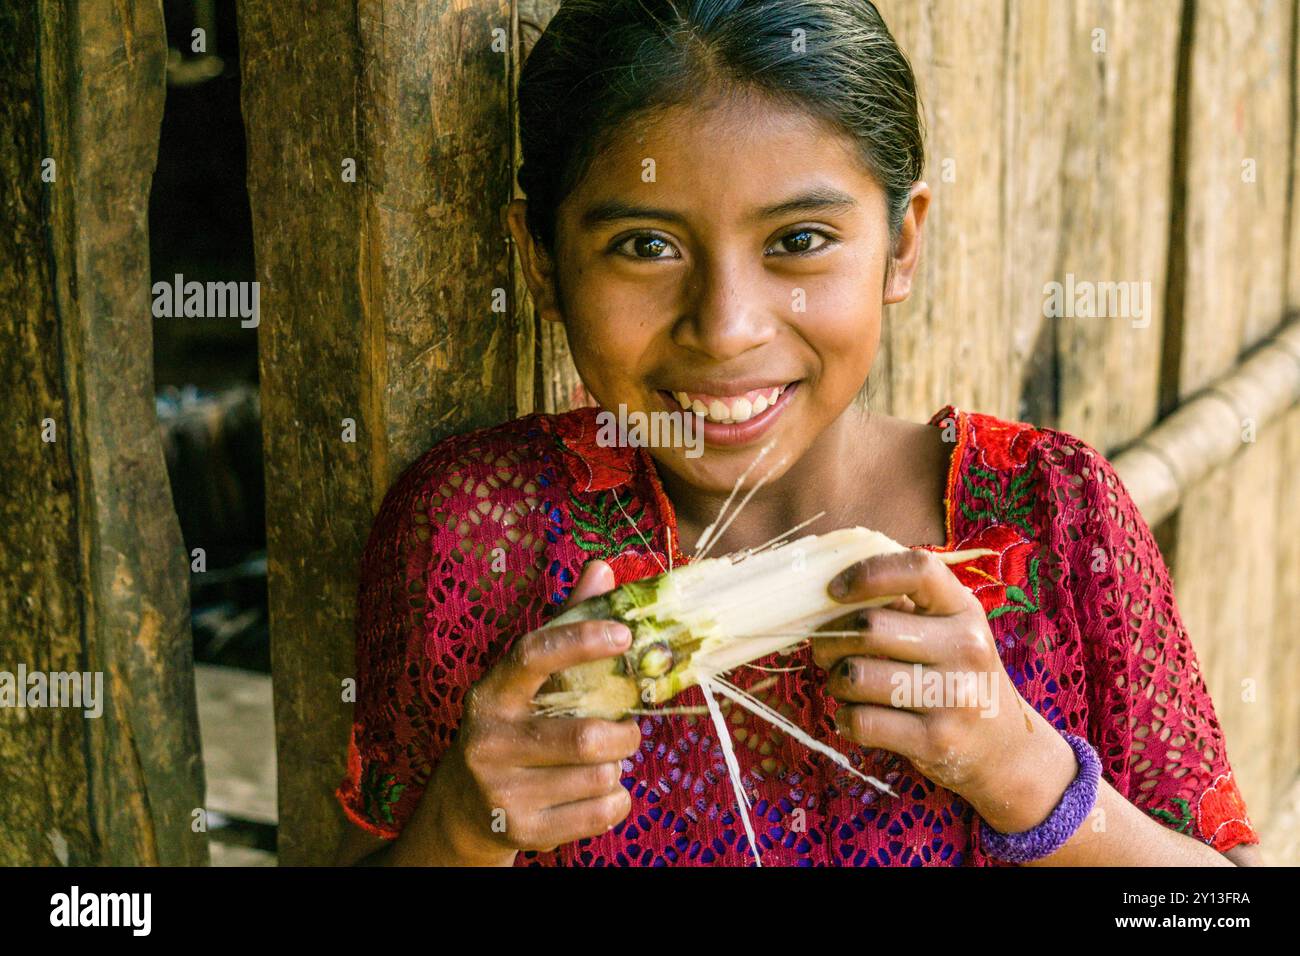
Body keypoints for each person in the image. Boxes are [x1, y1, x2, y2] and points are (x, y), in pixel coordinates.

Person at [333, 0, 1261, 866]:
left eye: (801, 239)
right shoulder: (479, 532)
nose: (727, 326)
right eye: (647, 245)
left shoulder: (1050, 514)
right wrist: (459, 825)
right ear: (541, 263)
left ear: (901, 245)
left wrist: (1022, 771)